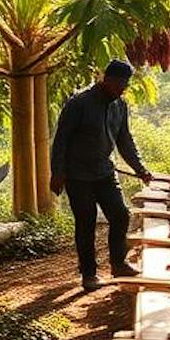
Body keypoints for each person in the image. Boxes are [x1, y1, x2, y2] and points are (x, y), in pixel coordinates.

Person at [49, 58, 153, 292]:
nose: (122, 89)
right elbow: (61, 140)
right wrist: (58, 172)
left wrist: (140, 169)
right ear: (107, 80)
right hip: (78, 176)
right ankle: (89, 274)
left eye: (125, 85)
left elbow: (125, 140)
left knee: (121, 215)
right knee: (86, 223)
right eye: (119, 84)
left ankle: (118, 263)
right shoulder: (79, 103)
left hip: (105, 172)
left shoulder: (120, 105)